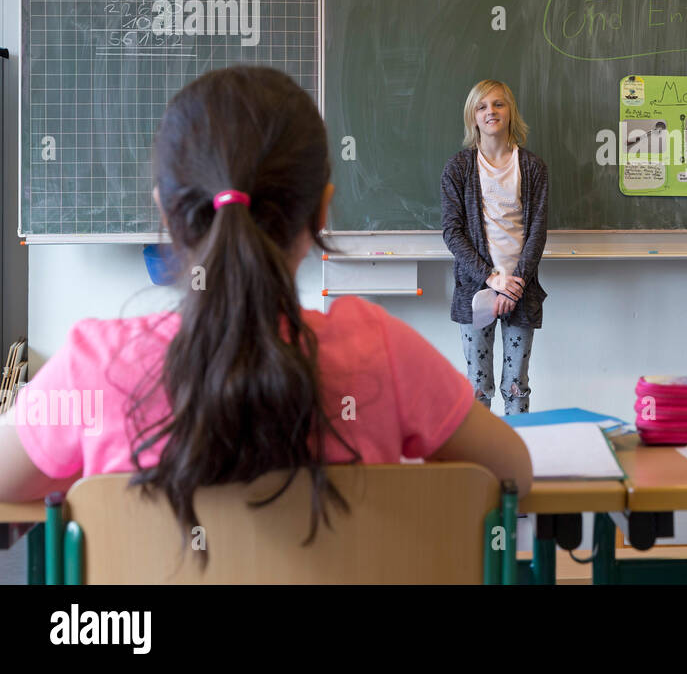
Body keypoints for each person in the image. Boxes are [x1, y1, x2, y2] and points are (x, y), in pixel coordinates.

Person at [0, 67, 533, 545]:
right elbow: (515, 472)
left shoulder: (93, 369)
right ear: (322, 210)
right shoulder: (383, 351)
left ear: (166, 212)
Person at [441, 80, 548, 414]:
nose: (491, 112)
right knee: (477, 389)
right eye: (482, 106)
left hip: (520, 288)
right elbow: (452, 232)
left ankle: (517, 455)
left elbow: (537, 232)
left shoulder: (531, 168)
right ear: (473, 117)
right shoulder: (458, 169)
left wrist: (512, 285)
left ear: (510, 111)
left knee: (517, 387)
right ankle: (484, 457)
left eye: (498, 104)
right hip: (476, 291)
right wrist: (491, 278)